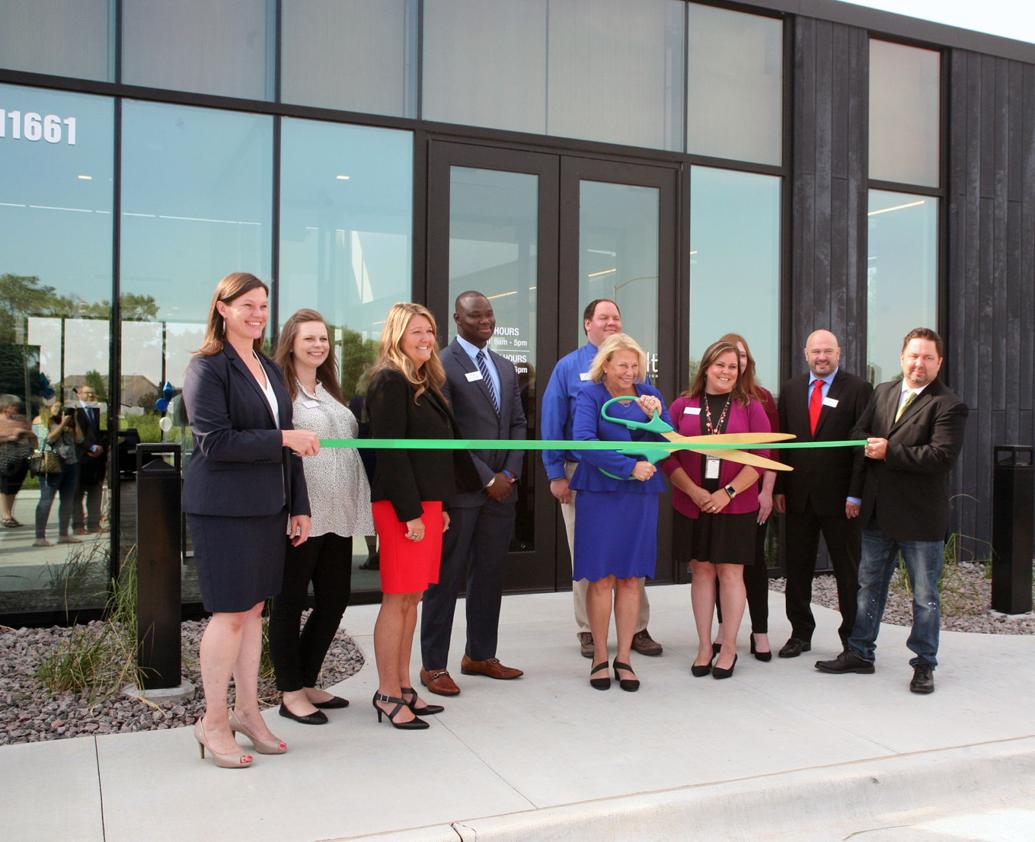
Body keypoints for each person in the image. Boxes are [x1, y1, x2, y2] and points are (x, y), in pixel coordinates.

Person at [182, 272, 318, 768]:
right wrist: (283, 440)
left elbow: (288, 438)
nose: (258, 314)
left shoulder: (265, 365)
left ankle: (246, 712)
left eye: (264, 306)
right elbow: (214, 441)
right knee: (230, 614)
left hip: (267, 506)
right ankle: (213, 722)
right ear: (222, 308)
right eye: (247, 306)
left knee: (253, 612)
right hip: (221, 508)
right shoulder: (207, 366)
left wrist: (299, 504)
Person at [817, 328, 968, 695]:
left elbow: (940, 457)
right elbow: (860, 432)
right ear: (902, 358)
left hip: (919, 519)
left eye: (927, 357)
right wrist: (857, 485)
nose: (919, 363)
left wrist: (889, 451)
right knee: (869, 588)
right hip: (877, 515)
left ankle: (923, 664)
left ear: (939, 363)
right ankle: (860, 652)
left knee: (924, 597)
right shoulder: (884, 392)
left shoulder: (948, 405)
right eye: (913, 356)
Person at [366, 302, 480, 729]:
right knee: (397, 599)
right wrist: (411, 512)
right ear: (397, 335)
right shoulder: (389, 381)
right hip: (402, 508)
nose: (426, 339)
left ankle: (403, 687)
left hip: (427, 506)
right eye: (416, 332)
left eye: (430, 332)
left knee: (413, 598)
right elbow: (391, 455)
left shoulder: (425, 380)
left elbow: (436, 457)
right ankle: (387, 693)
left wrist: (442, 507)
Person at [268, 309, 374, 725]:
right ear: (291, 343)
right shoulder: (280, 390)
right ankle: (290, 692)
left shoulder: (330, 389)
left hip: (340, 508)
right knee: (290, 602)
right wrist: (294, 506)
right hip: (304, 512)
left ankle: (307, 679)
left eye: (324, 339)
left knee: (334, 600)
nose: (317, 345)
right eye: (309, 338)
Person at [541, 299, 662, 659]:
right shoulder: (568, 368)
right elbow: (553, 422)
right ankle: (589, 631)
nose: (611, 322)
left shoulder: (637, 372)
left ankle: (636, 628)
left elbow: (654, 431)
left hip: (635, 481)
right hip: (585, 474)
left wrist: (653, 421)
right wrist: (554, 472)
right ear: (587, 324)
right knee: (590, 559)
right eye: (604, 317)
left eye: (616, 317)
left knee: (630, 561)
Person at [419, 291, 527, 697]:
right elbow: (447, 433)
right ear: (457, 318)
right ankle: (433, 665)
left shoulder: (503, 366)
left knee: (490, 576)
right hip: (464, 490)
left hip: (503, 492)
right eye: (476, 315)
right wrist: (485, 477)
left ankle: (480, 655)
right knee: (445, 579)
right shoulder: (442, 365)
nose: (486, 321)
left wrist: (510, 473)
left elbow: (518, 423)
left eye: (490, 314)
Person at [661, 340, 770, 680]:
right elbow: (667, 454)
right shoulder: (682, 405)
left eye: (733, 368)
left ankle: (729, 648)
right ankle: (704, 646)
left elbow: (762, 456)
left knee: (731, 573)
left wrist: (729, 491)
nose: (726, 372)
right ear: (706, 367)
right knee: (702, 571)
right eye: (720, 365)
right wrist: (693, 491)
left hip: (734, 504)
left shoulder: (751, 406)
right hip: (692, 503)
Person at [570, 333, 670, 691]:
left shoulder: (650, 396)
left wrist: (655, 417)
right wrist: (629, 467)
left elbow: (667, 442)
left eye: (635, 365)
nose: (630, 371)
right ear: (606, 364)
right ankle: (599, 657)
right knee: (601, 579)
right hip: (601, 494)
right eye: (622, 364)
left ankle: (624, 658)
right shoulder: (590, 394)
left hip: (639, 497)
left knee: (630, 579)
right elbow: (582, 442)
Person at [774, 329, 872, 657]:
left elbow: (861, 449)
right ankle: (800, 633)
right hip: (798, 497)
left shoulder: (858, 389)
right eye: (816, 351)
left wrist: (856, 495)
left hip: (842, 500)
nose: (821, 357)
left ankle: (853, 641)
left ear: (839, 353)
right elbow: (783, 444)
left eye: (827, 351)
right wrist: (780, 488)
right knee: (797, 569)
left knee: (848, 571)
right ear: (805, 353)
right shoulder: (790, 390)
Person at [713, 333, 779, 662]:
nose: (734, 362)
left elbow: (770, 449)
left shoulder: (762, 398)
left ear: (747, 362)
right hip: (717, 499)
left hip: (750, 497)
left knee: (753, 564)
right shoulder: (709, 398)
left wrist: (767, 492)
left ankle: (760, 631)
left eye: (740, 355)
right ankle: (725, 630)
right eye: (727, 356)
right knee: (717, 564)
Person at [33, 403, 83, 547]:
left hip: (70, 464)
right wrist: (62, 424)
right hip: (51, 464)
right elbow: (49, 439)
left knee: (67, 501)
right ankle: (40, 537)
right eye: (58, 407)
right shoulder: (41, 420)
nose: (61, 410)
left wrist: (74, 420)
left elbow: (80, 439)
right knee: (46, 499)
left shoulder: (70, 422)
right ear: (49, 408)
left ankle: (63, 534)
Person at [73, 385, 106, 535]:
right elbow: (75, 435)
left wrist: (101, 447)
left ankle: (93, 524)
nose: (91, 396)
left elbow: (106, 431)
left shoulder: (99, 411)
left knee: (95, 493)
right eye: (88, 393)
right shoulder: (74, 412)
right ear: (79, 394)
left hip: (97, 460)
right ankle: (78, 525)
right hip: (80, 458)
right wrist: (90, 448)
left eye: (93, 393)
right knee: (77, 494)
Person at [0, 395, 37, 528]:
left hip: (22, 455)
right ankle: (5, 515)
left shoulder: (21, 419)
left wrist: (28, 434)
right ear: (5, 407)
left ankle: (9, 514)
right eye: (13, 406)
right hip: (4, 455)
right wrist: (11, 437)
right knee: (5, 486)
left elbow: (32, 434)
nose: (16, 408)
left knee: (15, 486)